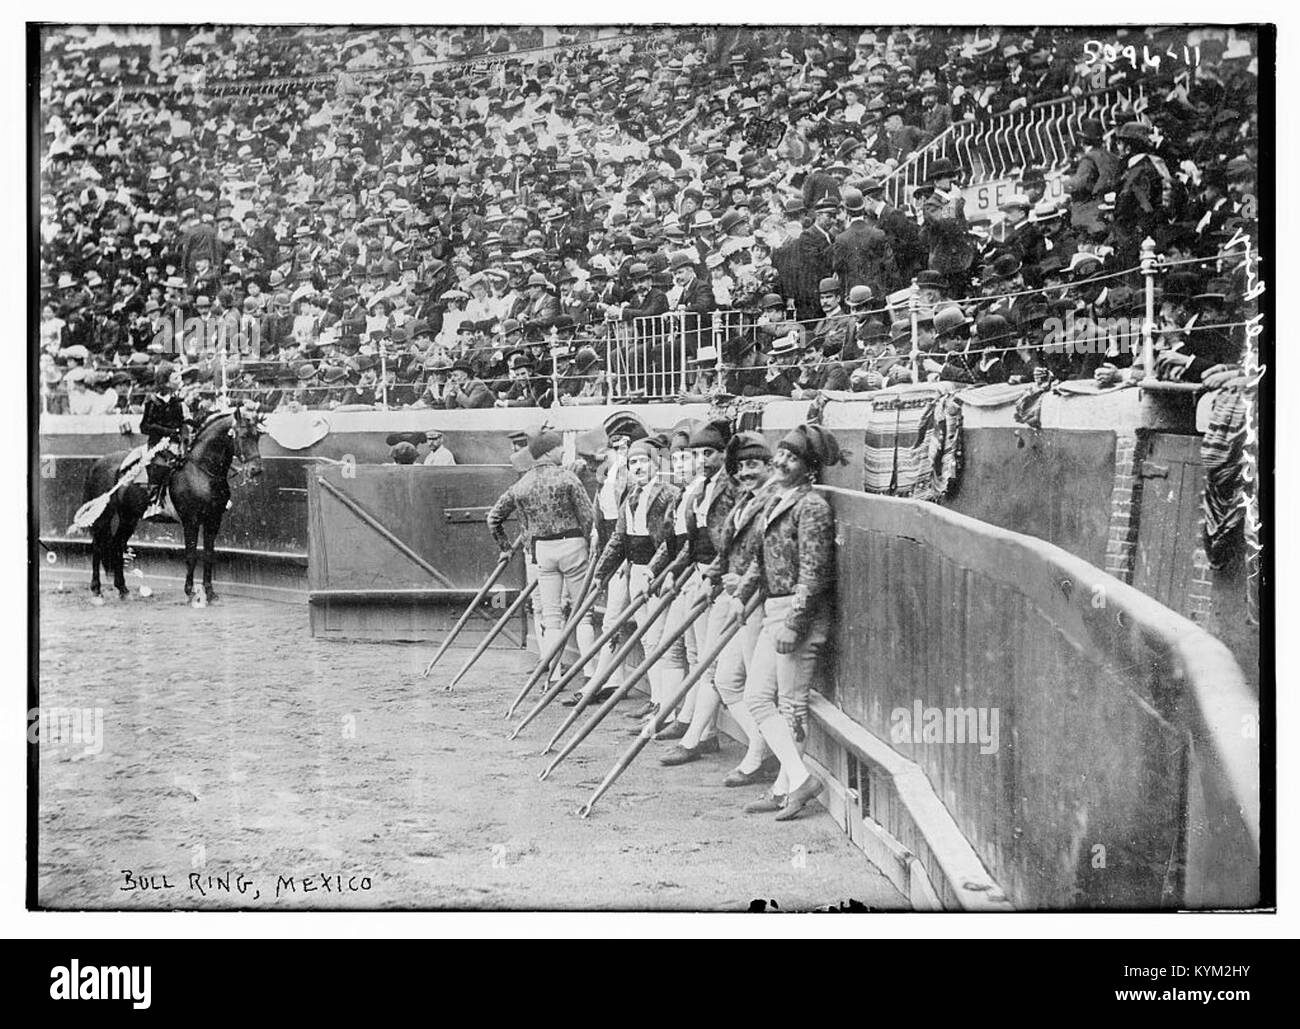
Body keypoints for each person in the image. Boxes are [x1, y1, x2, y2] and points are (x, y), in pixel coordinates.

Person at [740, 423, 844, 821]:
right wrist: (742, 595)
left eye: (793, 457)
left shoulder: (813, 507)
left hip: (797, 617)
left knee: (790, 706)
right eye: (781, 454)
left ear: (810, 468)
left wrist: (794, 623)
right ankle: (795, 781)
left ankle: (790, 787)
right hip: (773, 609)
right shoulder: (778, 499)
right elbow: (761, 559)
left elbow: (814, 574)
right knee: (757, 698)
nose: (782, 461)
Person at [486, 427, 599, 695]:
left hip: (541, 552)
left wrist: (505, 547)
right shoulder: (567, 478)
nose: (563, 451)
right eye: (559, 448)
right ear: (549, 451)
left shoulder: (521, 484)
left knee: (551, 616)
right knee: (582, 614)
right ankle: (589, 674)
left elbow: (493, 518)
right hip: (572, 546)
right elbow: (587, 517)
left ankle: (554, 677)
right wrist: (588, 541)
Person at [655, 419, 739, 759]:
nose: (703, 459)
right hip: (699, 574)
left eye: (710, 453)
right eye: (698, 453)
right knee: (695, 653)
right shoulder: (702, 488)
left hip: (718, 580)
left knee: (707, 661)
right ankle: (697, 726)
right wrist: (672, 571)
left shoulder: (729, 488)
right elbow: (693, 543)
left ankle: (698, 736)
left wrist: (712, 579)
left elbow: (726, 544)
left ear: (723, 454)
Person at [585, 432, 681, 716]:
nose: (638, 467)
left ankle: (666, 704)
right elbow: (619, 538)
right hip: (636, 569)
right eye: (633, 463)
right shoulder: (630, 495)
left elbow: (669, 541)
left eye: (644, 462)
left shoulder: (668, 493)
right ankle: (656, 699)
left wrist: (655, 570)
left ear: (655, 464)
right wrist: (602, 572)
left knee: (658, 638)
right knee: (647, 637)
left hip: (658, 573)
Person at [138, 362, 189, 520]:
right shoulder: (152, 401)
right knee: (160, 466)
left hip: (177, 444)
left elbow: (182, 421)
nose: (179, 381)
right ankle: (154, 503)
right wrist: (166, 432)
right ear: (166, 381)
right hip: (157, 445)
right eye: (175, 378)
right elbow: (144, 427)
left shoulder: (178, 402)